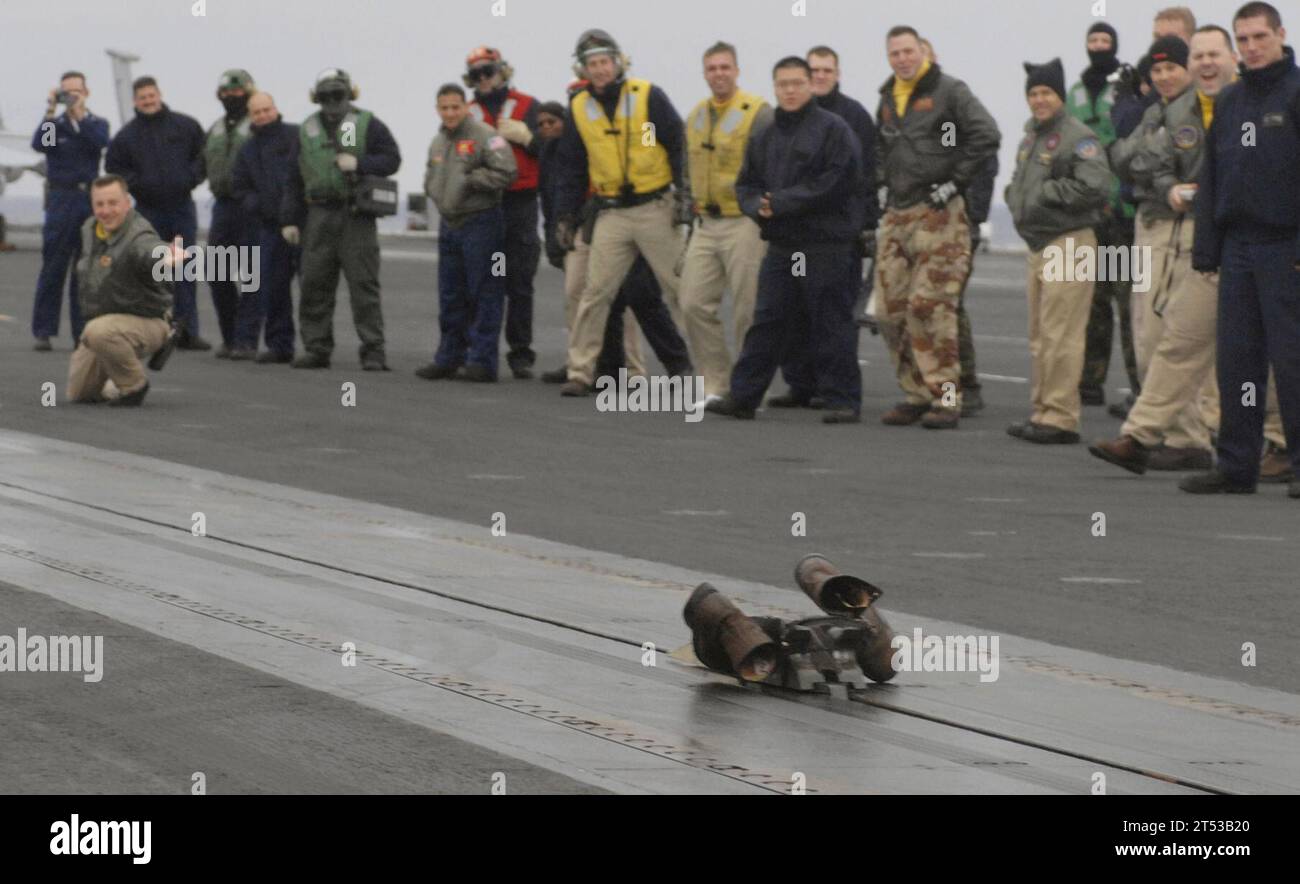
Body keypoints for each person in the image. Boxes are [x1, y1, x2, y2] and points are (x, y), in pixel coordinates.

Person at [1089, 27, 1236, 473]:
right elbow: (1126, 158)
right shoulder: (1161, 112)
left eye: (1175, 65)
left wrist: (1164, 176)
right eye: (1161, 68)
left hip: (1209, 233)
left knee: (1193, 343)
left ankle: (1151, 434)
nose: (1169, 74)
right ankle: (1181, 437)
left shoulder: (1233, 106)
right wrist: (1166, 180)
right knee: (1157, 338)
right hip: (1158, 225)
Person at [1183, 2, 1300, 499]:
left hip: (1286, 245)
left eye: (1259, 37)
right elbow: (1211, 177)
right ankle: (1236, 464)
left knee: (1292, 360)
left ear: (1281, 34)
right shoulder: (1230, 102)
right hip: (1238, 249)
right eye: (1243, 39)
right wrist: (1206, 247)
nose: (1252, 47)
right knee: (1238, 362)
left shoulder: (1295, 94)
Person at [709, 56, 863, 424]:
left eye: (797, 83)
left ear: (810, 84)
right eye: (783, 84)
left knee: (830, 320)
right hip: (784, 246)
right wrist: (754, 206)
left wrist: (780, 202)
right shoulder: (765, 134)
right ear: (774, 88)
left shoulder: (834, 129)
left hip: (825, 245)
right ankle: (744, 396)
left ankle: (841, 398)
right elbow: (746, 182)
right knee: (768, 320)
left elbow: (837, 182)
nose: (790, 90)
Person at [873, 25, 1000, 429]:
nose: (903, 59)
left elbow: (986, 135)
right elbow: (883, 147)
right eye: (895, 53)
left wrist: (955, 182)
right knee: (890, 311)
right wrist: (881, 183)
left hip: (938, 216)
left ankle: (947, 397)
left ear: (923, 52)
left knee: (930, 308)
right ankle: (915, 393)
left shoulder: (950, 91)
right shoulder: (887, 97)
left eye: (909, 51)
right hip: (897, 215)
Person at [552, 29, 691, 397]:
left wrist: (685, 195)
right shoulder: (579, 108)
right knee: (595, 293)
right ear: (582, 69)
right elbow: (572, 166)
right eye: (592, 64)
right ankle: (582, 370)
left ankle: (703, 370)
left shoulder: (647, 96)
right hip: (611, 210)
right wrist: (566, 215)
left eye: (604, 62)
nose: (599, 70)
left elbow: (676, 143)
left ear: (618, 62)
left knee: (682, 289)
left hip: (655, 207)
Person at [1004, 59, 1111, 445]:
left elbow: (1097, 185)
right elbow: (1019, 182)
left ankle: (1062, 417)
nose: (1039, 100)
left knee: (1062, 336)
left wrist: (1044, 195)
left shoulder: (1078, 137)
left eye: (1046, 92)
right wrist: (1015, 199)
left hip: (1070, 241)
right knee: (1040, 335)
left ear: (1060, 95)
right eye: (1033, 93)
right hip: (1039, 243)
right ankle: (1043, 410)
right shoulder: (1030, 137)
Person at [765, 44, 876, 410]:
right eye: (815, 71)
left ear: (837, 74)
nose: (821, 76)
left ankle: (836, 392)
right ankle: (801, 384)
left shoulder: (852, 118)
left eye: (828, 70)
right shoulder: (783, 120)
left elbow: (866, 175)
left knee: (833, 317)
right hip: (791, 237)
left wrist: (866, 226)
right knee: (793, 315)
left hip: (835, 236)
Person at [281, 68, 401, 371]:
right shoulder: (306, 130)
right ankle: (316, 347)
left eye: (338, 94)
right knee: (314, 284)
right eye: (326, 96)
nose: (332, 101)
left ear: (350, 94)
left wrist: (360, 164)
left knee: (364, 286)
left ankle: (373, 350)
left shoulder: (366, 124)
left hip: (355, 215)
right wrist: (289, 220)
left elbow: (392, 158)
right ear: (317, 98)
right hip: (318, 214)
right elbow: (293, 179)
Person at [679, 41, 771, 404]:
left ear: (737, 70)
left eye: (724, 67)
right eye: (712, 68)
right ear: (704, 73)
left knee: (748, 307)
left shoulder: (758, 113)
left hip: (744, 221)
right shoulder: (696, 115)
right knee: (692, 303)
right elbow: (687, 166)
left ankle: (749, 389)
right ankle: (715, 383)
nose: (719, 74)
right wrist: (687, 206)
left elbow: (773, 162)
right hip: (705, 221)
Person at [416, 84, 517, 382]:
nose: (450, 113)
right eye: (444, 108)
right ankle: (449, 356)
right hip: (450, 225)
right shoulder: (437, 142)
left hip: (483, 223)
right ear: (437, 109)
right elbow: (431, 177)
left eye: (455, 107)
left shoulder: (486, 135)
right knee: (450, 294)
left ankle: (483, 361)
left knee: (486, 291)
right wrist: (436, 193)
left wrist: (473, 181)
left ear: (465, 106)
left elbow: (507, 172)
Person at [104, 76, 208, 350]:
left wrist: (191, 178)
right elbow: (114, 168)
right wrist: (138, 186)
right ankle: (155, 333)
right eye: (142, 97)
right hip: (148, 211)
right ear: (135, 101)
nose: (148, 101)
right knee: (152, 271)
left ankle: (187, 331)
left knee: (184, 269)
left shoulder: (185, 126)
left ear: (159, 95)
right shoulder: (126, 136)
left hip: (181, 207)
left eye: (151, 95)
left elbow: (204, 156)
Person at [1069, 23, 1141, 409]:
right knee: (1093, 301)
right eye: (1093, 41)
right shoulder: (1076, 90)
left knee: (1128, 302)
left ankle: (1139, 384)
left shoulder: (1127, 83)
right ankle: (1089, 381)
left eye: (1105, 42)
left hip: (1124, 212)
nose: (1099, 47)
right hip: (1091, 212)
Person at [66, 175, 181, 407]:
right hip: (109, 321)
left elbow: (148, 251)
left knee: (99, 331)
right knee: (79, 394)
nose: (106, 211)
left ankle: (133, 385)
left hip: (147, 321)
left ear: (127, 203)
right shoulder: (90, 229)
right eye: (100, 204)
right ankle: (114, 381)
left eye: (113, 203)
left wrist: (165, 257)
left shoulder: (138, 234)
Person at [465, 47, 543, 378]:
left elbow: (551, 148)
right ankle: (480, 349)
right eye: (477, 74)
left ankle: (520, 352)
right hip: (485, 206)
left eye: (489, 71)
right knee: (485, 278)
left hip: (521, 205)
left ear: (502, 71)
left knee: (520, 281)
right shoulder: (467, 113)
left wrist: (528, 138)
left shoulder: (527, 106)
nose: (484, 79)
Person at [30, 70, 108, 352]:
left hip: (88, 198)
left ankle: (82, 332)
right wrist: (51, 109)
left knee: (84, 270)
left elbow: (99, 143)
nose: (71, 96)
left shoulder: (97, 123)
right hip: (61, 198)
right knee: (53, 266)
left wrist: (79, 116)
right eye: (66, 92)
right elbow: (40, 144)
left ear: (86, 93)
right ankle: (43, 330)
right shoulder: (56, 125)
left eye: (76, 91)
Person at [230, 91, 299, 363]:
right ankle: (280, 345)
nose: (263, 115)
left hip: (303, 223)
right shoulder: (247, 149)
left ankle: (319, 346)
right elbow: (239, 187)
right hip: (269, 226)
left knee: (316, 287)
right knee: (274, 287)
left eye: (266, 110)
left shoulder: (297, 136)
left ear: (275, 108)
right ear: (251, 116)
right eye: (257, 112)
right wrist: (259, 206)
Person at [202, 69, 258, 359]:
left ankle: (246, 341)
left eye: (238, 93)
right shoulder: (216, 129)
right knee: (216, 271)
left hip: (250, 206)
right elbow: (201, 164)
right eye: (227, 93)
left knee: (250, 275)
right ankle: (230, 335)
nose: (232, 98)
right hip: (223, 205)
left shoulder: (257, 125)